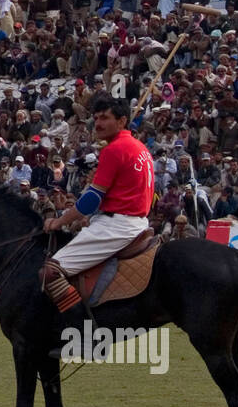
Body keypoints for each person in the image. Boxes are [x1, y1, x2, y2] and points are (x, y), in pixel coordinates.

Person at [41, 96, 154, 332]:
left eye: (105, 118)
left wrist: (59, 221)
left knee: (50, 272)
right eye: (96, 118)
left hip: (118, 226)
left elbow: (92, 198)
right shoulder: (139, 146)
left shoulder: (115, 149)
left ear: (122, 120)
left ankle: (83, 332)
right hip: (136, 221)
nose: (98, 123)